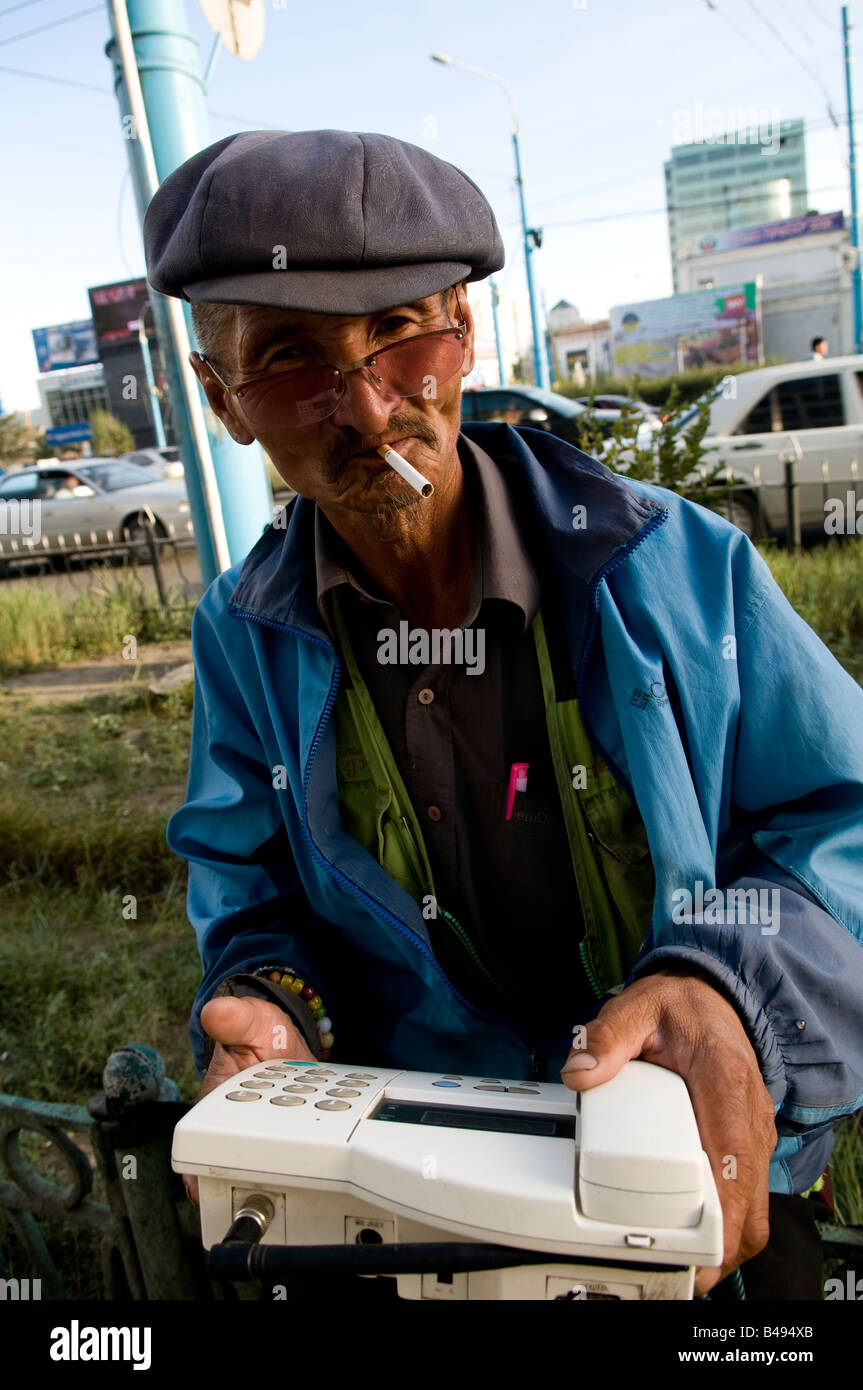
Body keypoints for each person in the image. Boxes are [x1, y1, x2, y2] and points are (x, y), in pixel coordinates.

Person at [144, 130, 863, 1300]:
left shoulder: (672, 566)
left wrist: (729, 987)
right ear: (224, 399)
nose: (370, 410)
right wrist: (279, 1004)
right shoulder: (245, 630)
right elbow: (253, 897)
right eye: (289, 360)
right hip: (414, 1181)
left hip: (676, 1171)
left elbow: (844, 817)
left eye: (399, 335)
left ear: (465, 334)